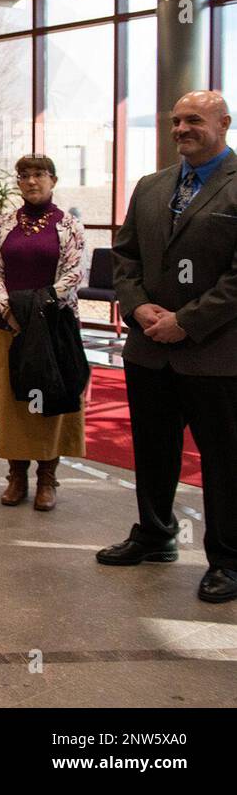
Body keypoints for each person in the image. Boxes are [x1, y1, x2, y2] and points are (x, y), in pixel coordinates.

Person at [98, 90, 237, 604]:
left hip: (217, 353)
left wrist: (188, 321)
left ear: (223, 123)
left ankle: (228, 559)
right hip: (149, 349)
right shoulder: (152, 186)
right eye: (176, 120)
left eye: (193, 120)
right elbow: (125, 257)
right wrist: (137, 308)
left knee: (224, 461)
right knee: (154, 451)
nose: (181, 128)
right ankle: (155, 536)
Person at [0, 154, 86, 511]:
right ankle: (16, 475)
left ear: (53, 180)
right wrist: (9, 309)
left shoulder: (69, 225)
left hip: (53, 326)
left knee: (50, 397)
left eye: (39, 174)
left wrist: (38, 309)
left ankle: (47, 476)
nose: (31, 181)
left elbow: (73, 275)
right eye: (24, 176)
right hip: (6, 326)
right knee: (12, 401)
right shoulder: (0, 223)